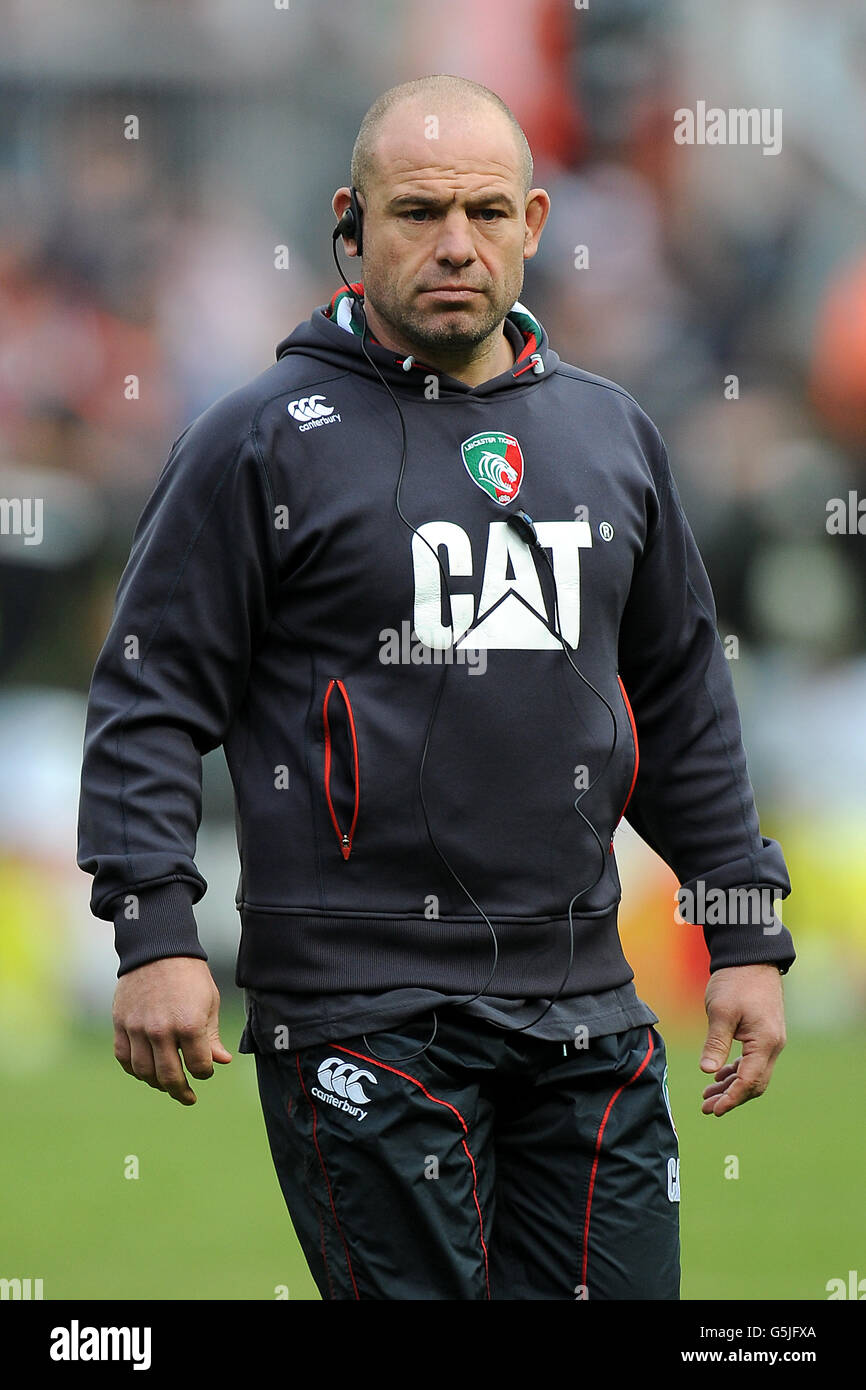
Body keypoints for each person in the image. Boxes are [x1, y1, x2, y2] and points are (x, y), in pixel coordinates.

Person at [77, 74, 795, 1301]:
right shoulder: (260, 437)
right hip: (360, 1009)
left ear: (531, 221)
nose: (453, 244)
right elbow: (149, 697)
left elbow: (678, 706)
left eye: (481, 212)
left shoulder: (612, 437)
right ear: (350, 228)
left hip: (584, 1005)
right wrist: (152, 931)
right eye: (416, 213)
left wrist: (740, 929)